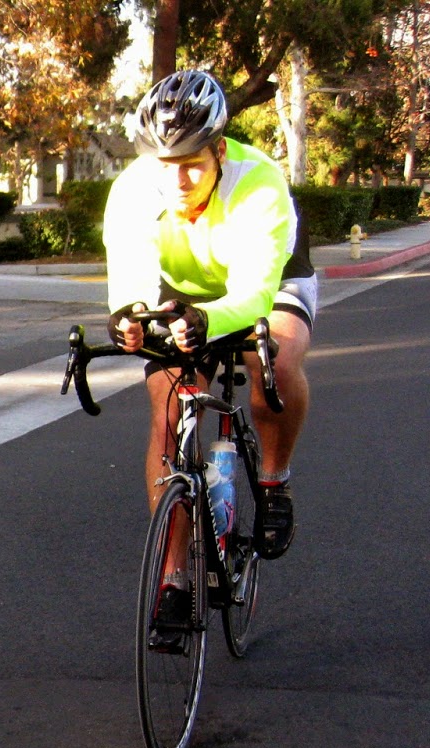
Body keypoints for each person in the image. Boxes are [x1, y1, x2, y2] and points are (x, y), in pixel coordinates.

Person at [104, 70, 314, 648]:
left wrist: (209, 321)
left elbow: (254, 295)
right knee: (170, 413)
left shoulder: (259, 183)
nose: (177, 180)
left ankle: (274, 479)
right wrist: (129, 318)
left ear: (220, 151)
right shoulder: (134, 189)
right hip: (182, 291)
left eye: (192, 165)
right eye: (164, 165)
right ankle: (173, 577)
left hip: (267, 280)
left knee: (275, 360)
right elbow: (131, 280)